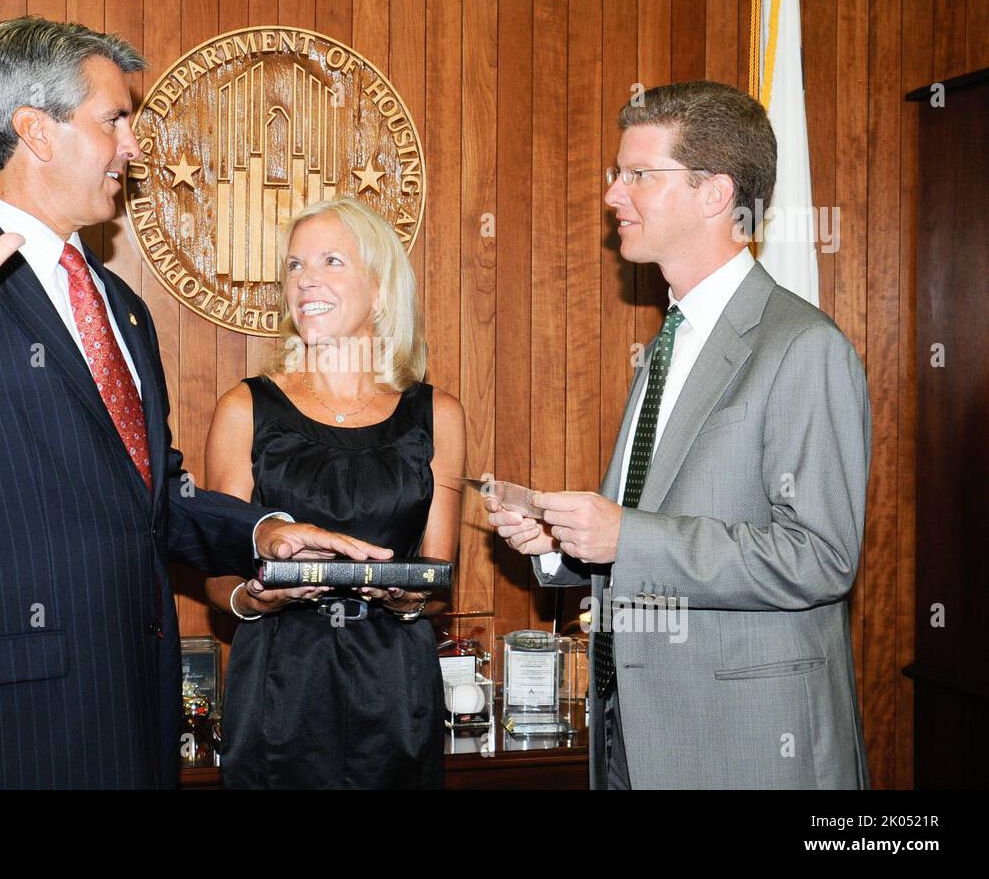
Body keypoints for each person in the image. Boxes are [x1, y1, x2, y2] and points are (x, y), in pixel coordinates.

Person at [0, 17, 389, 789]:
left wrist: (266, 534)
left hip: (132, 726)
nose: (132, 146)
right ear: (36, 131)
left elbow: (152, 501)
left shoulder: (123, 309)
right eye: (113, 120)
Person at [487, 80, 871, 789]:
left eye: (639, 175)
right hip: (634, 738)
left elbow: (821, 557)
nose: (613, 195)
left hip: (746, 749)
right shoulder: (670, 342)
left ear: (714, 193)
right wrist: (560, 543)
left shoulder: (801, 347)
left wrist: (625, 537)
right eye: (616, 174)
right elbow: (646, 530)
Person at [203, 197, 466, 789]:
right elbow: (218, 574)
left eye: (330, 261)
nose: (306, 281)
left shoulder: (437, 414)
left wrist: (412, 599)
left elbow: (439, 574)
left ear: (380, 287)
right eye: (294, 266)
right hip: (279, 684)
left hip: (395, 688)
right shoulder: (245, 407)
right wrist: (253, 595)